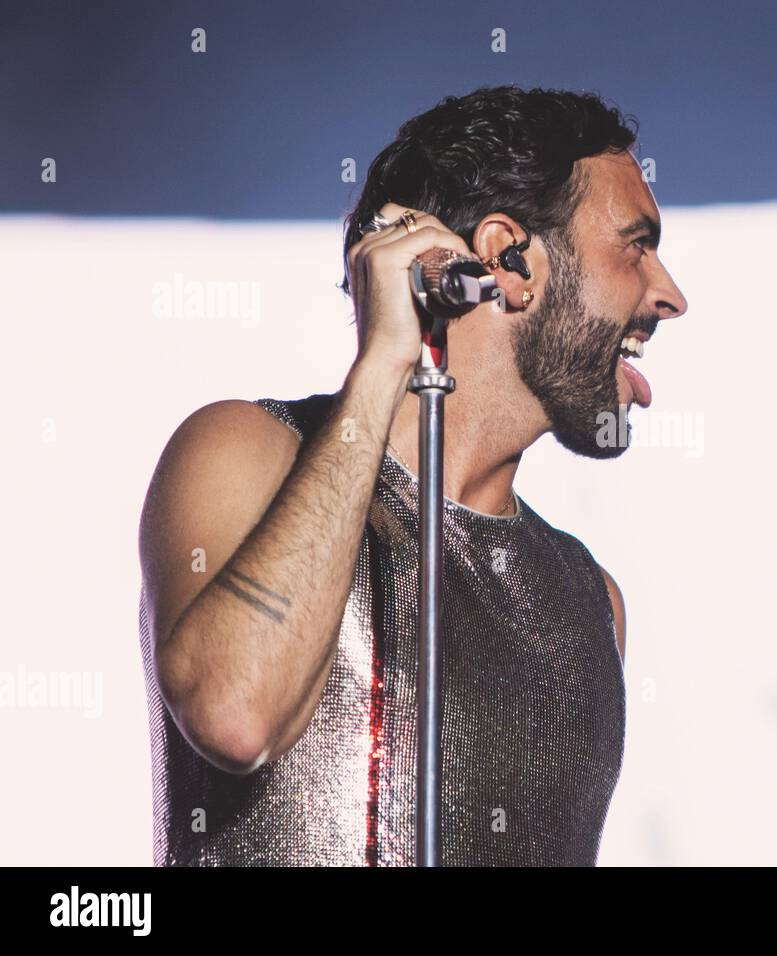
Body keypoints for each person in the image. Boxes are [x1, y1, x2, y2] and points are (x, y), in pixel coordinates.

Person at [135, 85, 689, 865]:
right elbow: (235, 711)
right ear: (508, 258)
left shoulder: (589, 603)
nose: (670, 295)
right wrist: (384, 362)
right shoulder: (246, 449)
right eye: (636, 245)